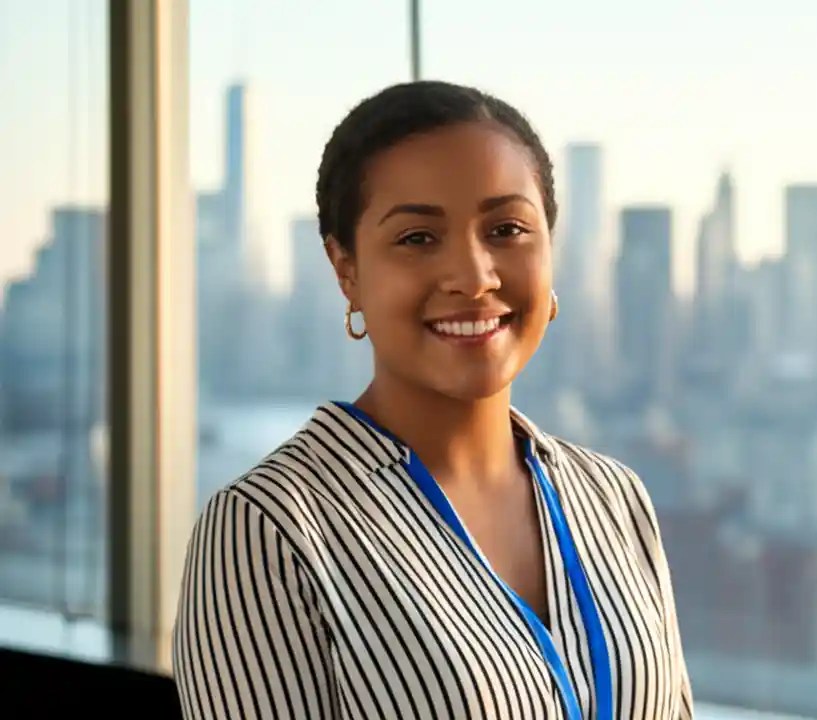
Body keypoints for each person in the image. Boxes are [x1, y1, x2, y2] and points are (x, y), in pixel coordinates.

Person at [172, 80, 692, 720]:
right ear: (347, 271)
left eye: (506, 229)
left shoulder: (615, 499)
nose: (474, 277)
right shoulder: (267, 531)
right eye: (418, 238)